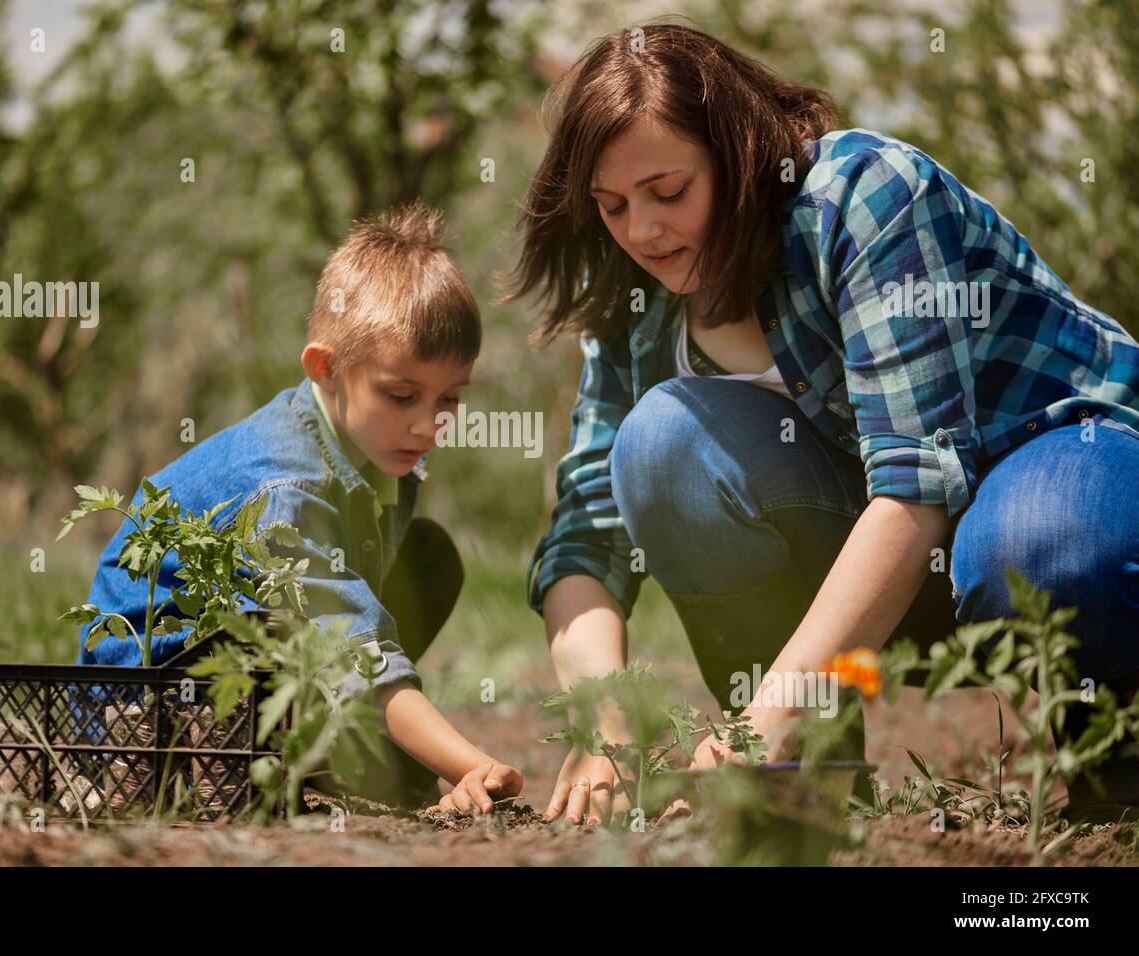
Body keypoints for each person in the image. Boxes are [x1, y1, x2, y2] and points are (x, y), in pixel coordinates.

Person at [503, 23, 1139, 826]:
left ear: (735, 156)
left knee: (1043, 540)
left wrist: (775, 703)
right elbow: (586, 537)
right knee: (661, 442)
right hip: (892, 574)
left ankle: (1114, 747)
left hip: (1060, 477)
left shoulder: (863, 193)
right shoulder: (633, 289)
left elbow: (915, 486)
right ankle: (804, 780)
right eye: (613, 207)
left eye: (669, 193)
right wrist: (607, 725)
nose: (643, 232)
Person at [77, 202, 521, 815]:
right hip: (148, 712)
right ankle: (315, 757)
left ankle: (347, 751)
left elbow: (351, 617)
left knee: (430, 557)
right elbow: (350, 643)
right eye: (401, 395)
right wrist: (473, 765)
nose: (428, 424)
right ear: (326, 367)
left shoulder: (382, 451)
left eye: (450, 398)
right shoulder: (286, 488)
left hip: (269, 671)